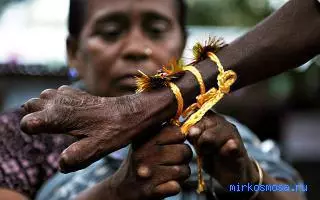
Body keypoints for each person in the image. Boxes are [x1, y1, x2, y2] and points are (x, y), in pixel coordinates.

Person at [0, 0, 306, 199]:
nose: (137, 48)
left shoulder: (214, 132)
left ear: (183, 44)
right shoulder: (27, 132)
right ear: (73, 52)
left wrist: (246, 179)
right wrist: (118, 192)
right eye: (110, 32)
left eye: (157, 30)